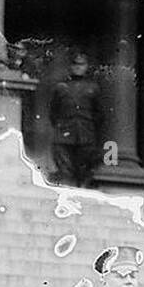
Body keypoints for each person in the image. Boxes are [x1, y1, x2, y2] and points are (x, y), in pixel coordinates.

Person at [49, 50, 104, 188]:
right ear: (70, 66)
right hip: (64, 133)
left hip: (86, 134)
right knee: (64, 168)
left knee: (84, 169)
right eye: (75, 64)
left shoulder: (93, 88)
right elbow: (53, 112)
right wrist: (61, 125)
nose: (78, 67)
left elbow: (99, 114)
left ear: (86, 66)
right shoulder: (61, 87)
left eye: (81, 64)